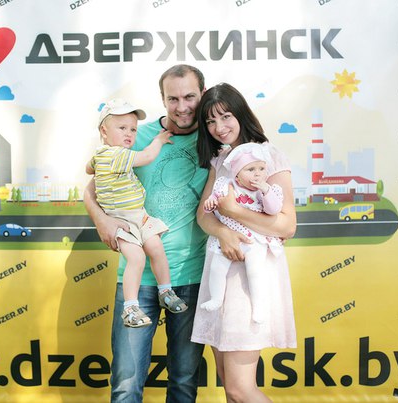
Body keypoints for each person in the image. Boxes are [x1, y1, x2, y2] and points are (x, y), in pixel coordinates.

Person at [83, 64, 208, 402]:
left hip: (191, 277)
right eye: (173, 99)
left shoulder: (214, 139)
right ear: (163, 99)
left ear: (202, 94)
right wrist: (103, 221)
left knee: (184, 383)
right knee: (126, 383)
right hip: (137, 281)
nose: (182, 106)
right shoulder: (135, 135)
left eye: (189, 97)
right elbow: (90, 190)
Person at [190, 82, 297, 402]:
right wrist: (223, 231)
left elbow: (287, 225)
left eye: (225, 117)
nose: (219, 127)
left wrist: (233, 211)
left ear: (241, 114)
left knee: (240, 388)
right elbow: (203, 215)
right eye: (210, 121)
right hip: (220, 275)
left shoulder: (268, 156)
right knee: (230, 388)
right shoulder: (220, 160)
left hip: (251, 281)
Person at [86, 98, 188, 328]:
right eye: (122, 128)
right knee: (138, 258)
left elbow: (88, 168)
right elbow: (147, 157)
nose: (129, 134)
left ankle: (165, 291)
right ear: (104, 131)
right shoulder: (117, 155)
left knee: (155, 247)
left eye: (133, 129)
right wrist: (159, 140)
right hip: (124, 223)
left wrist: (96, 168)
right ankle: (130, 307)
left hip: (139, 217)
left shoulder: (100, 155)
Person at [200, 142, 284, 326]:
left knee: (256, 271)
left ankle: (259, 307)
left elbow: (273, 209)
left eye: (261, 168)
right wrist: (210, 203)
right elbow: (214, 201)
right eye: (250, 169)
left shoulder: (267, 190)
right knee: (217, 268)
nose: (258, 174)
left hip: (254, 239)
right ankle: (216, 298)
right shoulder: (226, 184)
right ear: (237, 173)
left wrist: (265, 190)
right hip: (229, 236)